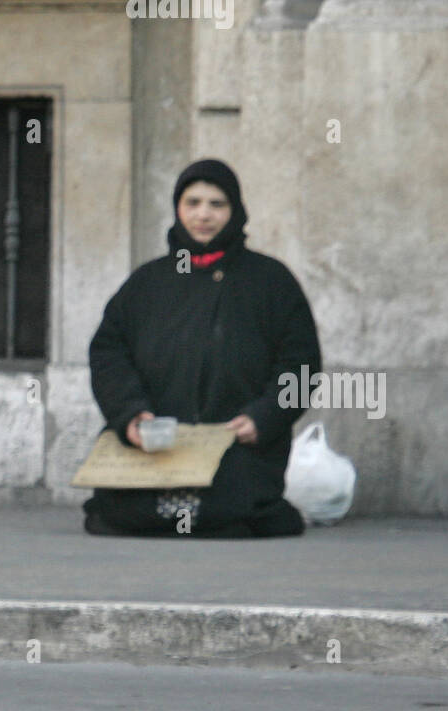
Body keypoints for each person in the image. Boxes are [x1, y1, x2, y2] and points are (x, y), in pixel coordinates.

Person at [83, 158, 321, 538]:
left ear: (235, 211)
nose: (203, 215)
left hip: (234, 445)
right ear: (178, 209)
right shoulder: (147, 283)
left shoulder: (270, 281)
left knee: (234, 507)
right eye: (192, 203)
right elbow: (108, 353)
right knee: (116, 508)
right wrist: (130, 415)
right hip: (156, 446)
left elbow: (301, 364)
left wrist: (265, 417)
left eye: (216, 204)